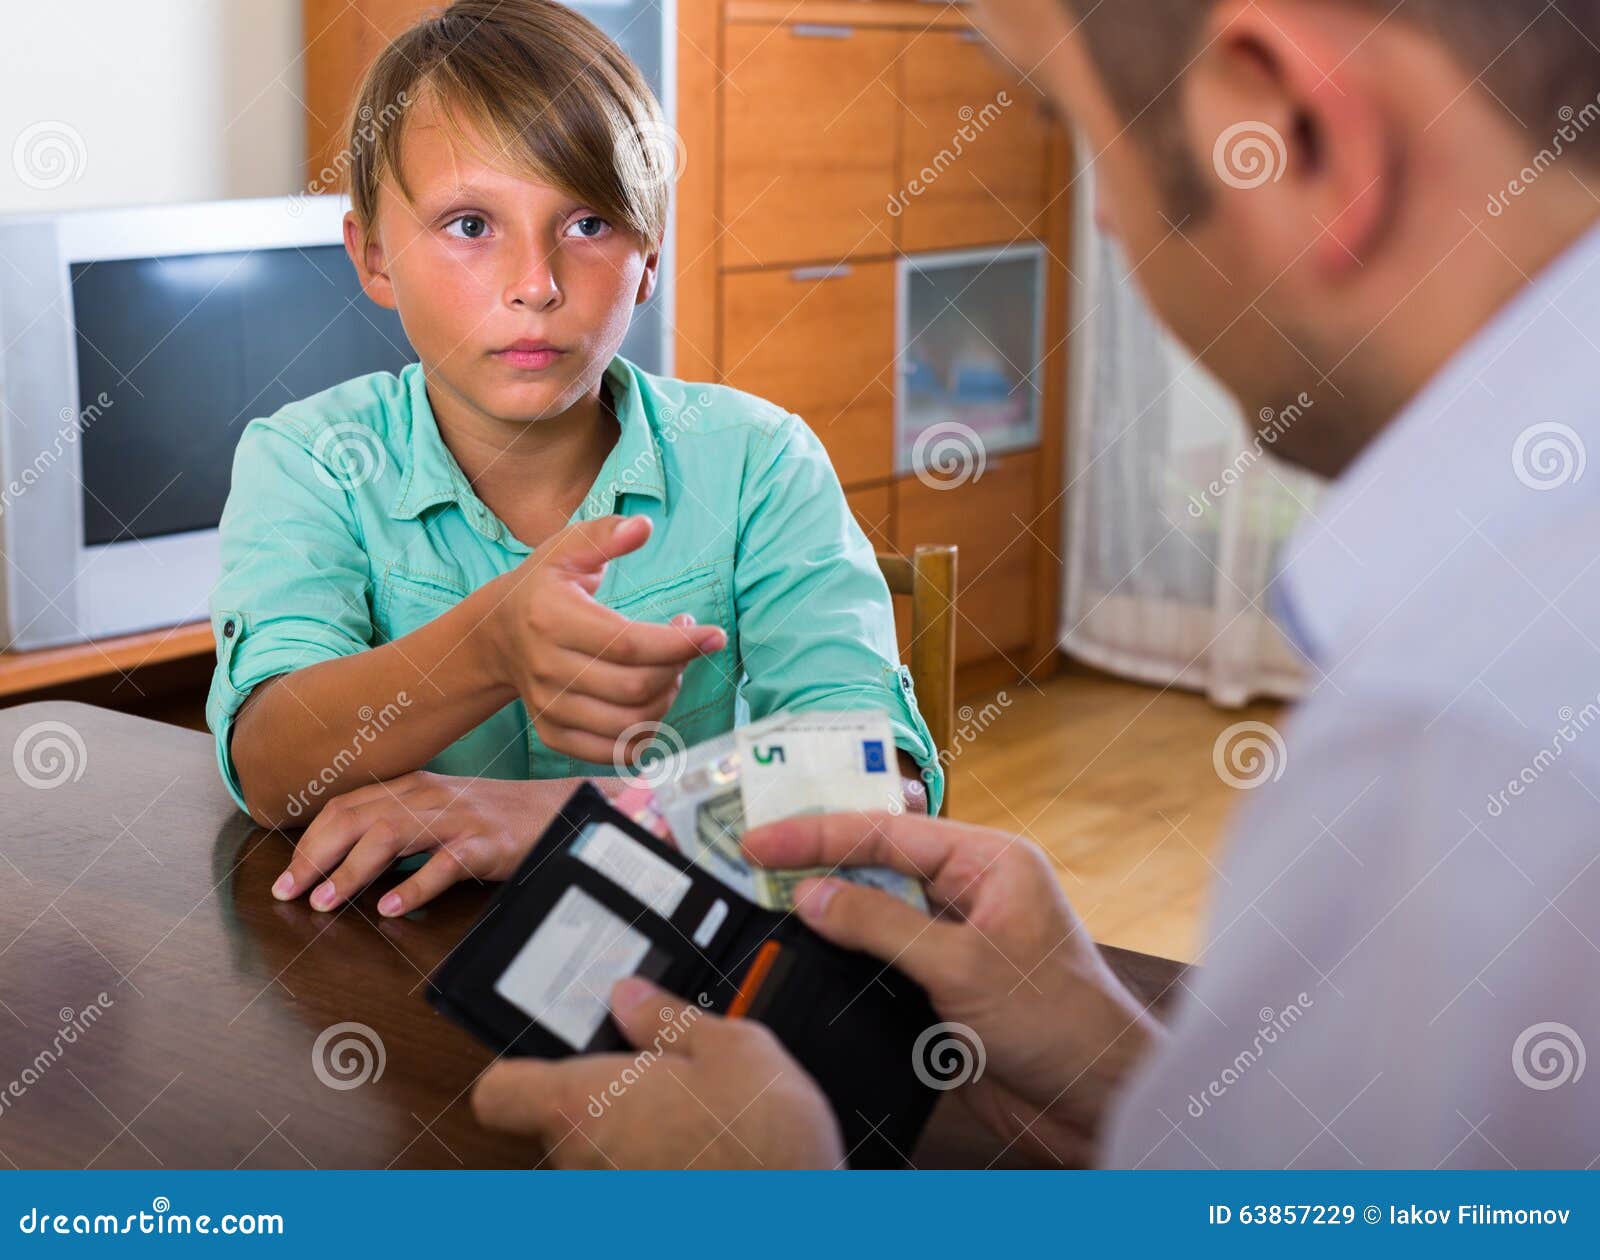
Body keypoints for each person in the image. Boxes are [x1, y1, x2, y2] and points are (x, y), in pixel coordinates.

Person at [471, 0, 1600, 1168]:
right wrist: (1120, 1072)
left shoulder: (1467, 733)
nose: (1102, 219)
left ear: (1288, 125)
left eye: (1080, 127)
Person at [206, 0, 939, 921]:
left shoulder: (758, 461)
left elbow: (881, 787)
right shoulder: (310, 459)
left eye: (589, 223)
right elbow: (270, 770)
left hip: (698, 990)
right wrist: (486, 646)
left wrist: (562, 819)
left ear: (648, 259)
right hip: (398, 987)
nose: (536, 284)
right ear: (375, 257)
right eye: (471, 225)